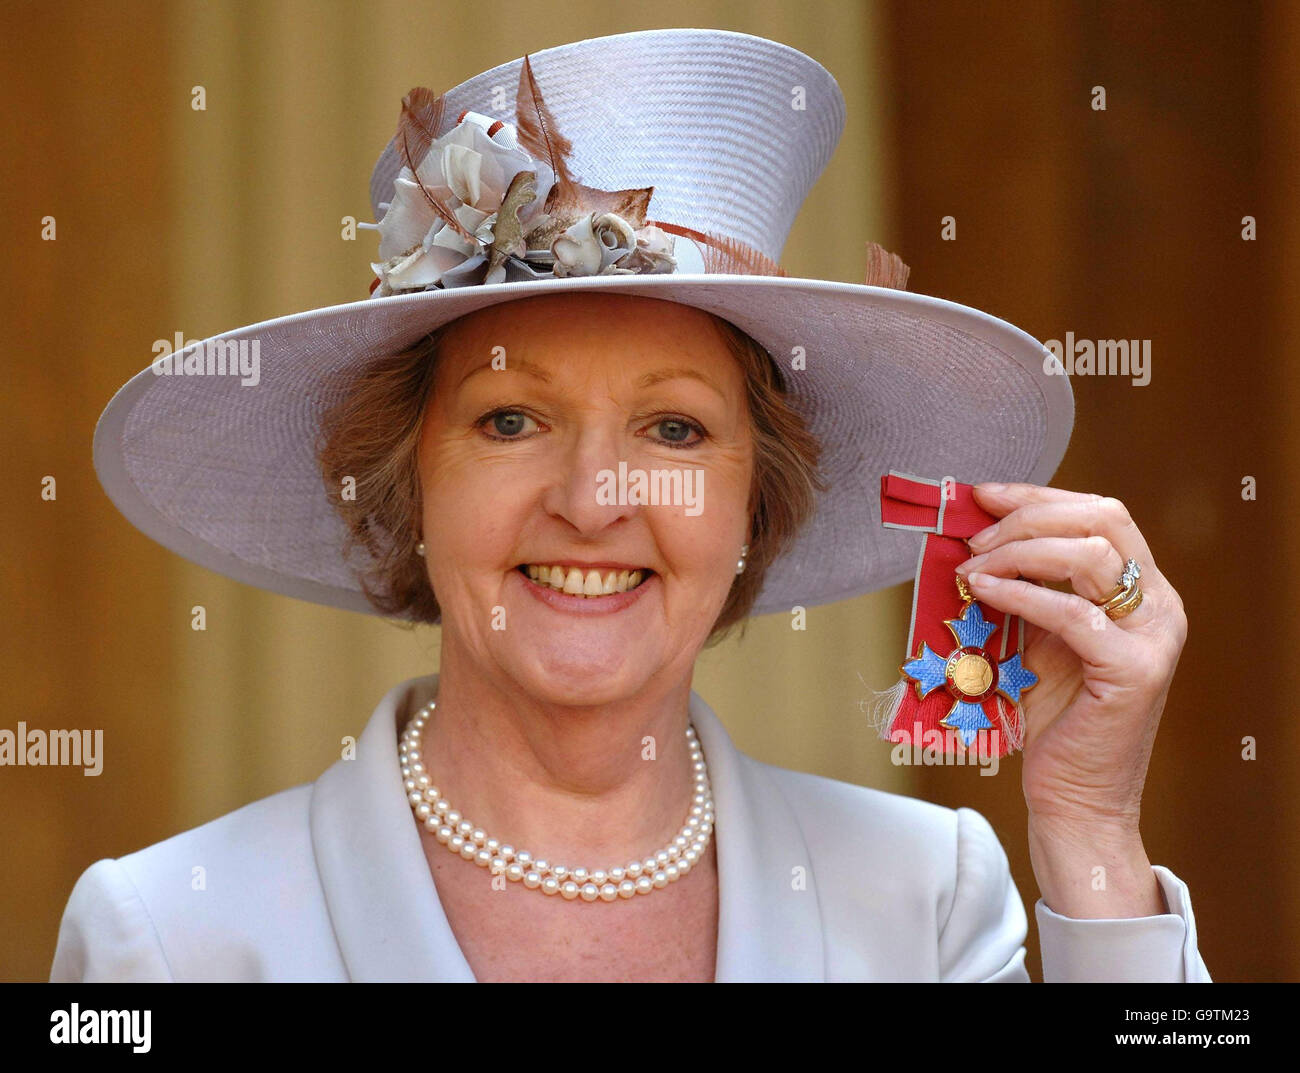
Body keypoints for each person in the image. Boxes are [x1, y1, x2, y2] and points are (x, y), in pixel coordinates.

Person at [53, 28, 1209, 982]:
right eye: (509, 419)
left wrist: (1091, 835)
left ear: (758, 500)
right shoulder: (167, 933)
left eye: (674, 428)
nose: (596, 500)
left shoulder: (922, 895)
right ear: (410, 486)